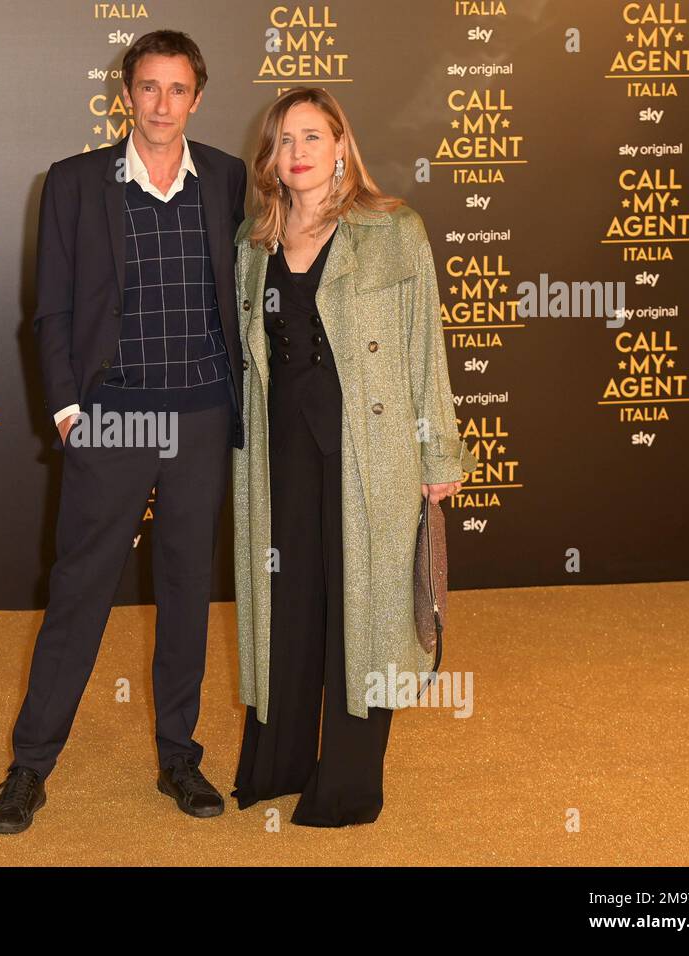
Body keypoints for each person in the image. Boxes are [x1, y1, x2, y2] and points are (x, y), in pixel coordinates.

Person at [0, 31, 249, 834]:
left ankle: (179, 757)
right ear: (126, 95)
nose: (162, 104)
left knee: (183, 591)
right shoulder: (72, 183)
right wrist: (69, 410)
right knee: (80, 592)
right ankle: (30, 766)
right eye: (148, 88)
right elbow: (52, 308)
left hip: (203, 411)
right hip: (117, 414)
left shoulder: (230, 180)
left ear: (197, 97)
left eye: (177, 89)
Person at [229, 87, 477, 827]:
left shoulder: (393, 228)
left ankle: (347, 783)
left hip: (369, 449)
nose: (297, 152)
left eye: (312, 136)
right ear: (270, 156)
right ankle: (277, 764)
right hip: (279, 450)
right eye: (283, 140)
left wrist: (439, 451)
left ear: (342, 145)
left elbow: (422, 350)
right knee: (288, 601)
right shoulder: (254, 238)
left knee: (363, 608)